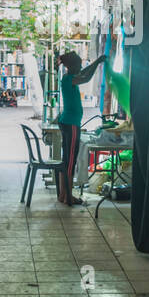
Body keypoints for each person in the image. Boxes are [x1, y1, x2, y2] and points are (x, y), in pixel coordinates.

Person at [56, 51, 106, 206]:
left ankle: (63, 194)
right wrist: (97, 63)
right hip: (71, 125)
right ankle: (68, 197)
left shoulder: (68, 78)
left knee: (66, 161)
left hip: (67, 122)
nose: (80, 67)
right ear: (72, 66)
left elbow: (83, 73)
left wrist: (96, 62)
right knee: (70, 162)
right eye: (78, 65)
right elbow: (87, 77)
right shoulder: (70, 79)